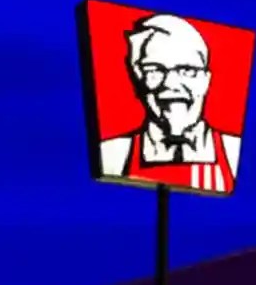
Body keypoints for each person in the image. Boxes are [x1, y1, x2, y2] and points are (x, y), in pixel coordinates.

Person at [99, 13, 242, 192]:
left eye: (187, 70)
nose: (171, 84)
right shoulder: (113, 155)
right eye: (154, 70)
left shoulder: (234, 151)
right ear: (138, 80)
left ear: (206, 80)